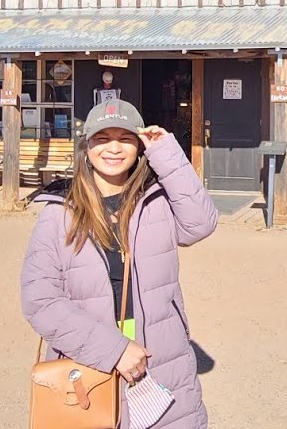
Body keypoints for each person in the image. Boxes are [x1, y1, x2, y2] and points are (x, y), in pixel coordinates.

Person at [20, 99, 218, 429]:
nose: (113, 148)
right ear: (86, 147)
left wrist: (165, 151)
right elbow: (40, 300)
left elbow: (201, 223)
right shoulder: (59, 212)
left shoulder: (157, 201)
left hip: (160, 358)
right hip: (85, 360)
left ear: (139, 146)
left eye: (125, 138)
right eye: (102, 138)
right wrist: (113, 350)